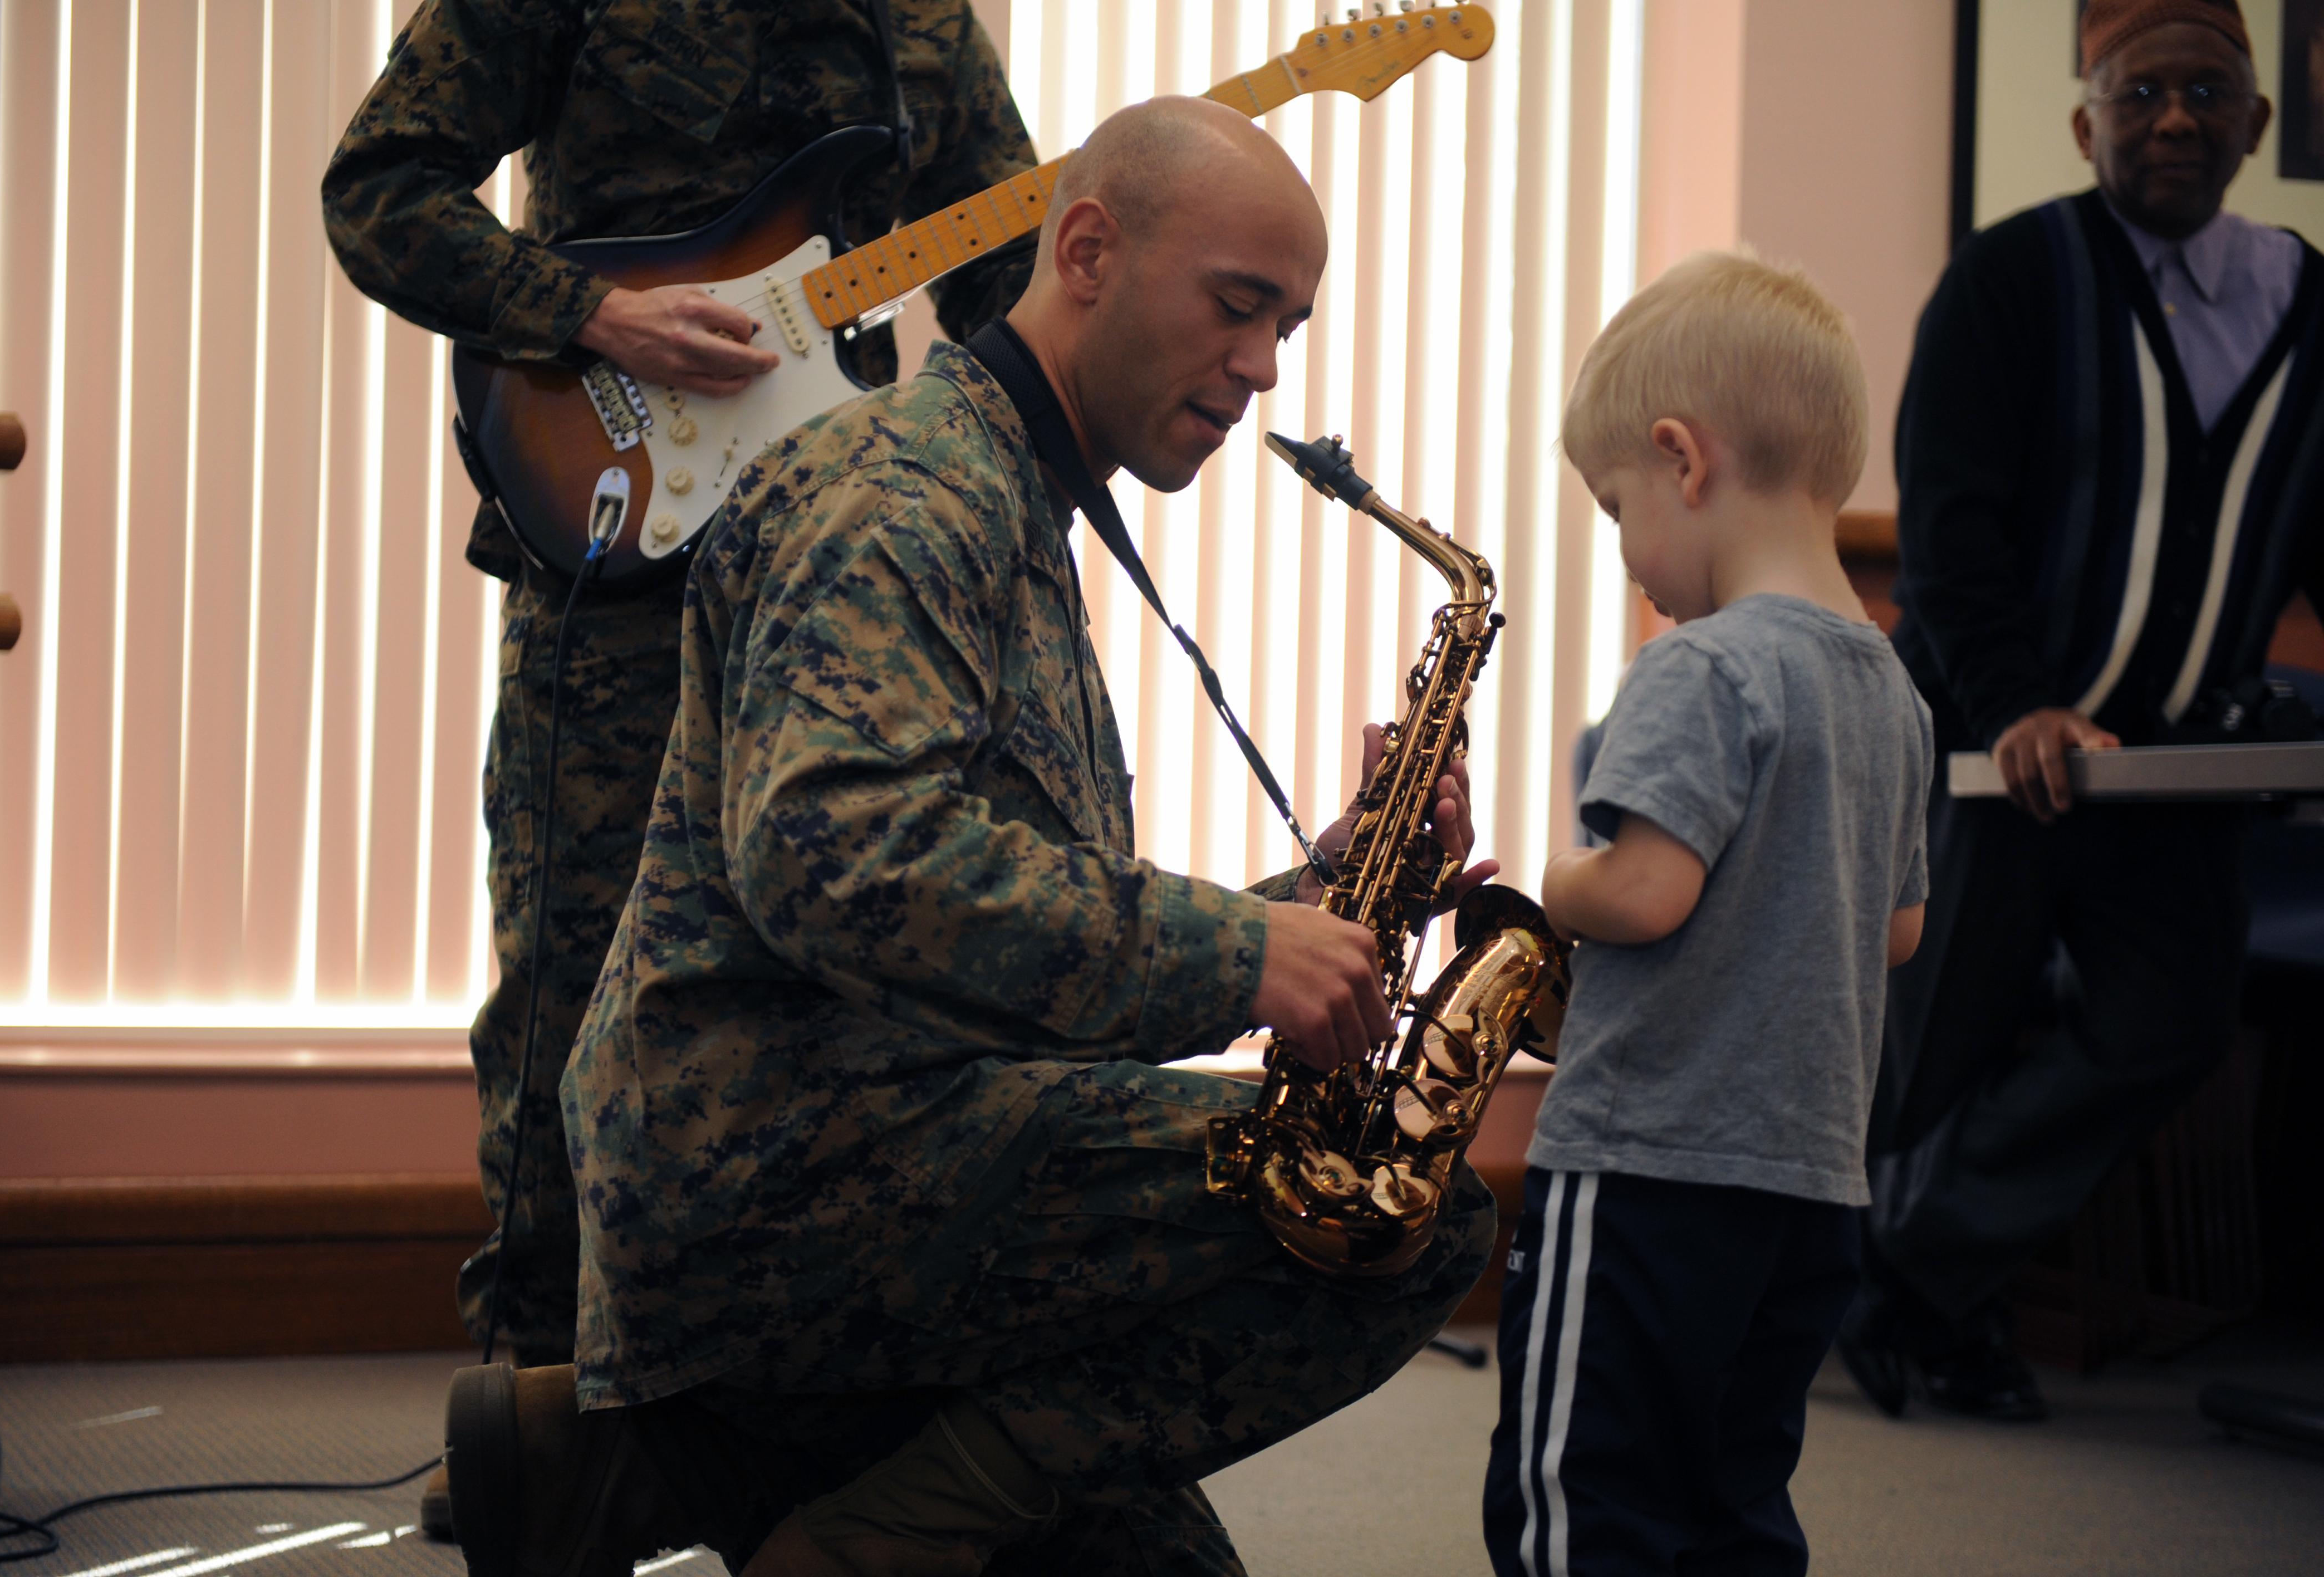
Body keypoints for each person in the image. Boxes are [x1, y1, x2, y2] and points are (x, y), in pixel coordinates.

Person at [438, 97, 1499, 1577]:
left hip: (897, 1156)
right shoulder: (903, 491)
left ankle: (654, 1468)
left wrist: (1328, 891)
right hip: (779, 1185)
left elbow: (1020, 939)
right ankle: (829, 1523)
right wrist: (1248, 952)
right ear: (1083, 249)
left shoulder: (1002, 493)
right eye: (1237, 307)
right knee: (1413, 1212)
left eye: (1289, 330)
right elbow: (839, 862)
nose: (1262, 369)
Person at [318, 1, 1036, 1536]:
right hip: (614, 523)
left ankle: (807, 1403)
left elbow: (1001, 260)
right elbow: (380, 190)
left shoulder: (925, 17)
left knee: (849, 966)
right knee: (575, 976)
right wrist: (592, 318)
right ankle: (540, 1401)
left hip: (839, 548)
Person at [1838, 0, 2324, 1423]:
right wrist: (2018, 706)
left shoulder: (2310, 303)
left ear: (2256, 123)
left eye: (2204, 91)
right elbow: (1949, 525)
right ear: (2085, 123)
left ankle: (1906, 1268)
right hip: (1994, 757)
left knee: (2167, 1022)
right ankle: (1922, 1307)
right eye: (2138, 93)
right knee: (1938, 1047)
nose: (2171, 117)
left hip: (2172, 776)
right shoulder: (2007, 279)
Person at [1482, 252, 1934, 1577]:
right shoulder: (1891, 692)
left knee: (1585, 1497)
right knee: (1735, 1498)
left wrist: (1553, 882)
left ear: (1683, 460)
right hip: (1809, 1188)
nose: (1631, 558)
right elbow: (1899, 933)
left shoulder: (1700, 664)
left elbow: (1640, 888)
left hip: (1647, 1171)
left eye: (1616, 508)